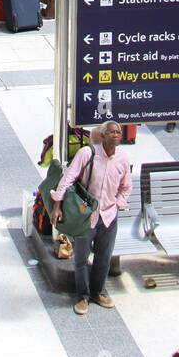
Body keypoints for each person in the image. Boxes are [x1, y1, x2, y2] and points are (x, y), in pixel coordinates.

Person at [50, 122, 132, 315]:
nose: (116, 135)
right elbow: (68, 178)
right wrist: (57, 205)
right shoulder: (87, 154)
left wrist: (117, 204)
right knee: (81, 258)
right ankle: (82, 296)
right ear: (102, 136)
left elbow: (126, 186)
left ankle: (98, 292)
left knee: (104, 257)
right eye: (111, 132)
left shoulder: (122, 158)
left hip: (109, 216)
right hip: (86, 215)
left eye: (118, 132)